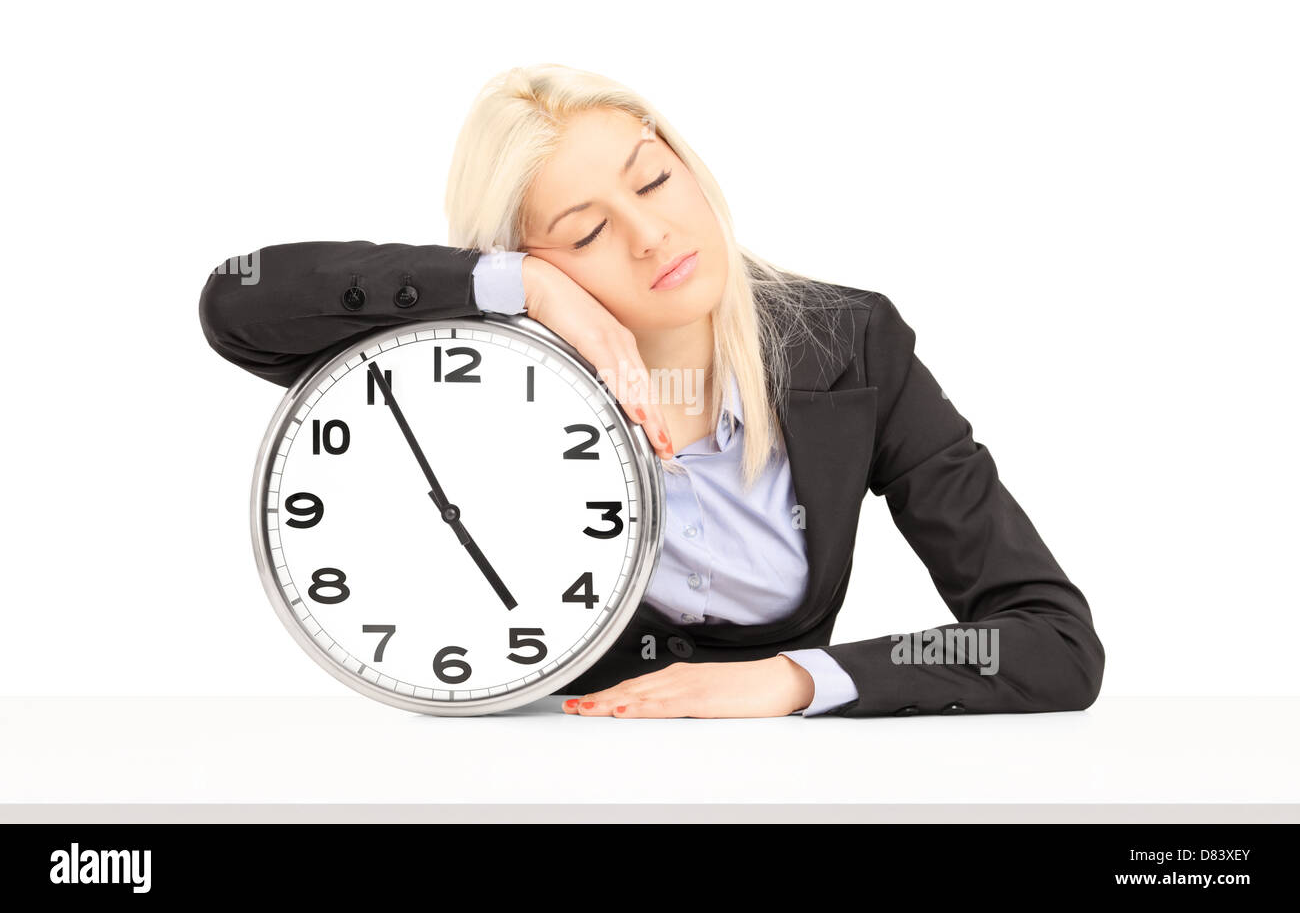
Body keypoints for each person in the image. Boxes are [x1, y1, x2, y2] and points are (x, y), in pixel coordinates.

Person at [199, 63, 1104, 719]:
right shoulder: (476, 378)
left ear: (683, 159)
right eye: (585, 231)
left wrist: (797, 678)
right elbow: (236, 300)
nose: (651, 235)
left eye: (654, 181)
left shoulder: (853, 345)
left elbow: (1048, 641)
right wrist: (525, 292)